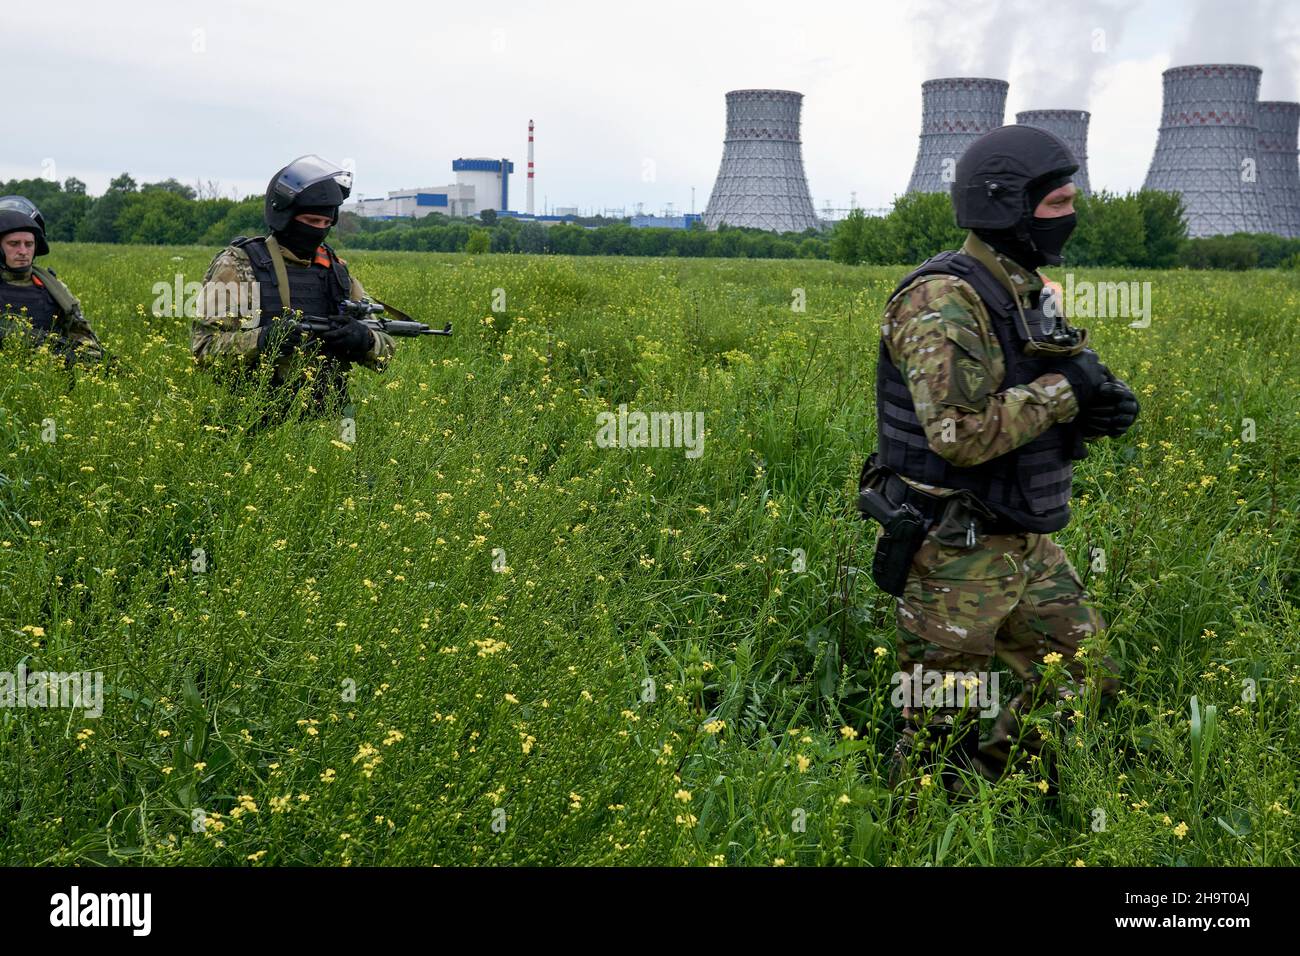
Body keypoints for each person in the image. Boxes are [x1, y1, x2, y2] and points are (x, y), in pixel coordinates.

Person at [860, 124, 1139, 795]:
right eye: (1055, 204)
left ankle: (1000, 793)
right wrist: (1065, 392)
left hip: (1021, 532)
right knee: (937, 722)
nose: (1070, 216)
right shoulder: (939, 302)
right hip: (953, 541)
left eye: (1072, 201)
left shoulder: (1031, 291)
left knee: (1081, 667)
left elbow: (1039, 389)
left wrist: (1099, 403)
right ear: (1003, 206)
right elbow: (956, 435)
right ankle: (918, 828)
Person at [191, 155, 394, 420]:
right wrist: (263, 340)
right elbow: (203, 352)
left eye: (325, 224)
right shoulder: (239, 265)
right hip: (255, 417)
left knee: (356, 462)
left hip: (336, 417)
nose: (318, 231)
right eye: (311, 222)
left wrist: (364, 340)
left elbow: (385, 353)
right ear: (285, 215)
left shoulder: (335, 271)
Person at [0, 195, 104, 364]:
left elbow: (82, 335)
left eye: (29, 244)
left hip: (48, 376)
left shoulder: (54, 288)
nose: (23, 251)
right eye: (14, 244)